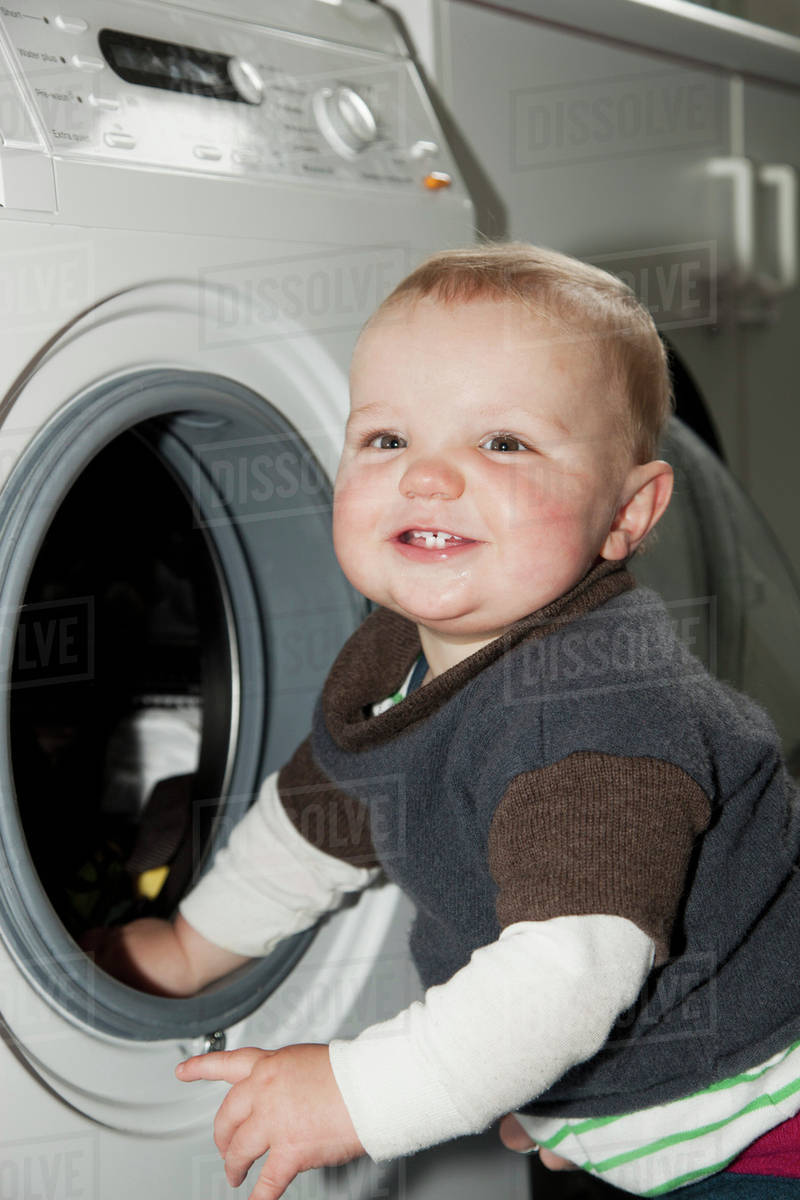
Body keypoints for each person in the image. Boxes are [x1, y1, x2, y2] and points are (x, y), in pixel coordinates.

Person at [90, 244, 800, 1200]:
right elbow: (320, 813)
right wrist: (191, 945)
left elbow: (561, 979)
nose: (427, 477)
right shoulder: (401, 655)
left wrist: (353, 1095)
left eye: (501, 443)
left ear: (629, 511)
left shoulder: (594, 717)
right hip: (648, 1093)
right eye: (387, 441)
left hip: (757, 1116)